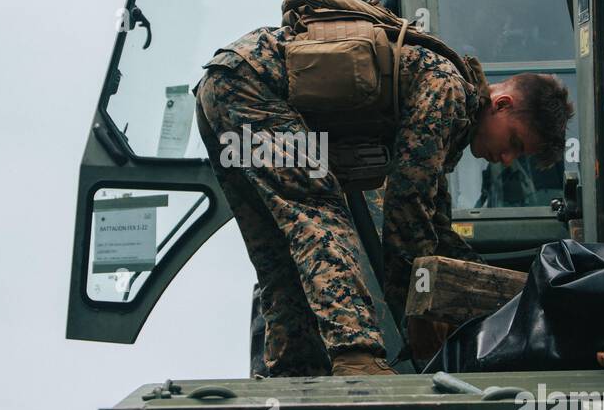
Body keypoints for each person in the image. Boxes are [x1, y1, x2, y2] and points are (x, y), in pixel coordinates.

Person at [194, 19, 573, 377]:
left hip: (223, 86)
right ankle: (356, 355)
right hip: (250, 86)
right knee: (318, 213)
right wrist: (418, 312)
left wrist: (489, 292)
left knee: (278, 250)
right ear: (502, 105)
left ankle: (294, 373)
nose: (506, 159)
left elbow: (432, 226)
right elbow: (405, 208)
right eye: (514, 143)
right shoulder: (448, 91)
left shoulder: (454, 117)